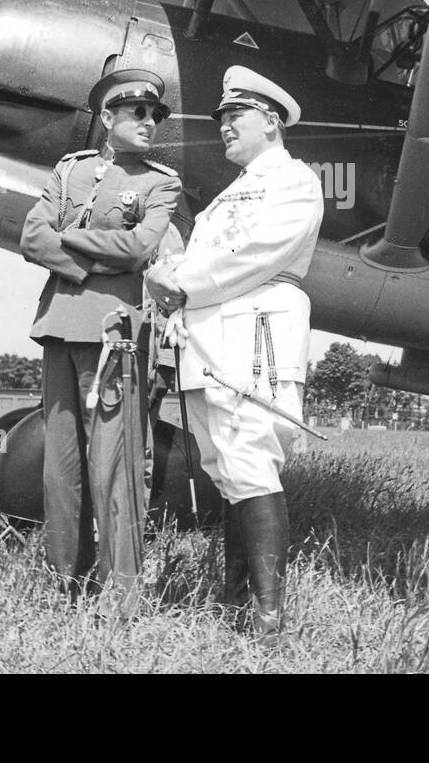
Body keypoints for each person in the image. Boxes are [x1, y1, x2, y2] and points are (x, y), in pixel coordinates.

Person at [144, 65, 323, 639]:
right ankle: (235, 598)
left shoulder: (293, 180)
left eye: (235, 115)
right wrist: (173, 289)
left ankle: (268, 616)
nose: (224, 125)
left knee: (251, 459)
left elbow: (258, 251)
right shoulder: (229, 194)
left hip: (256, 337)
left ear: (271, 122)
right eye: (221, 116)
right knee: (224, 467)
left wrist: (181, 282)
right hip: (208, 339)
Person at [19, 68, 182, 607]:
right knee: (60, 465)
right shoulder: (69, 171)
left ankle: (123, 595)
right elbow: (31, 236)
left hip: (115, 334)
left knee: (115, 465)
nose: (149, 123)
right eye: (137, 113)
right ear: (107, 119)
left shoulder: (160, 182)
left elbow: (140, 249)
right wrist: (92, 264)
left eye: (155, 115)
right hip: (59, 327)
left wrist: (69, 242)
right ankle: (67, 582)